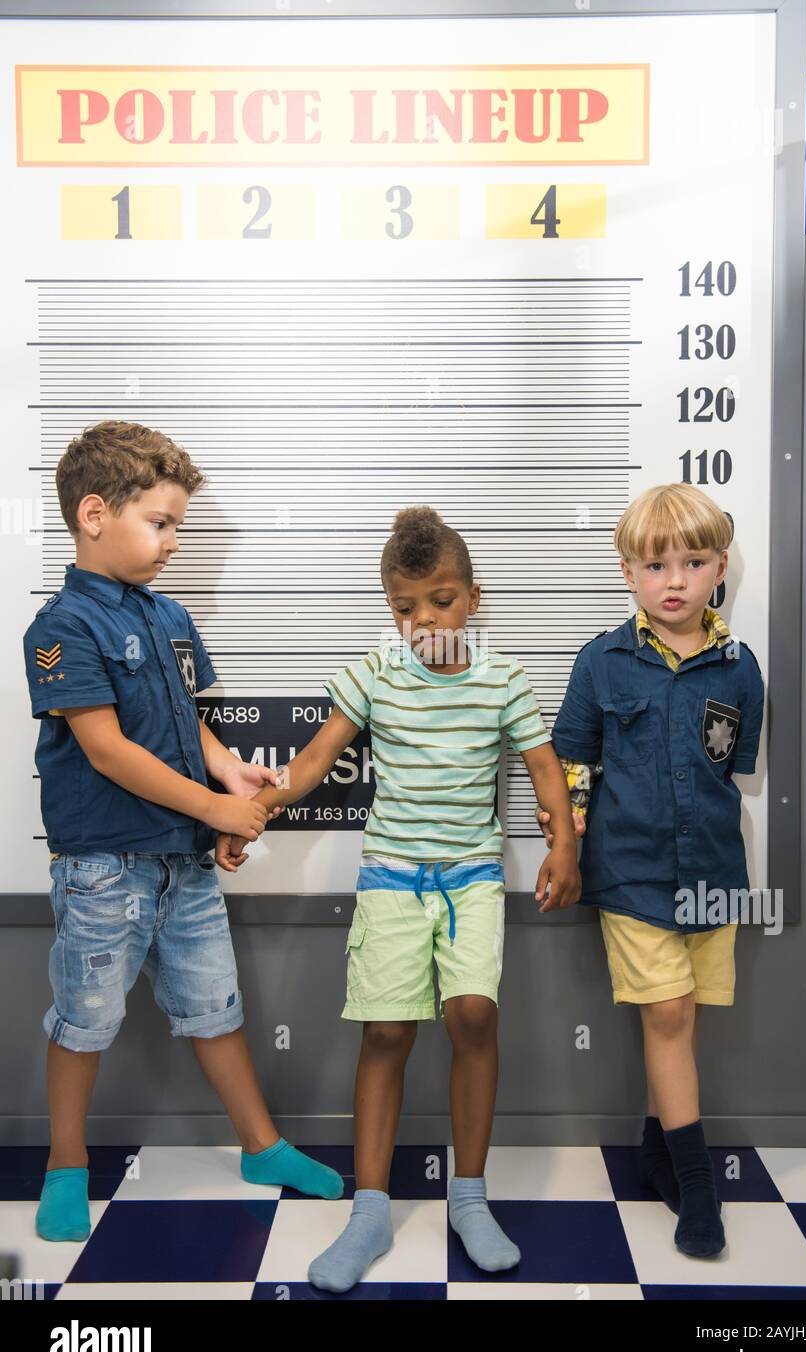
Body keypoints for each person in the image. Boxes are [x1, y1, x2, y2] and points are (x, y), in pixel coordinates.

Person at [217, 505, 580, 1291]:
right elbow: (311, 764)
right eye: (404, 607)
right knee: (385, 1031)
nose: (423, 621)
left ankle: (470, 1198)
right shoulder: (373, 674)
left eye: (440, 600)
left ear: (473, 597)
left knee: (473, 1016)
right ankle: (370, 1210)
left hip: (472, 880)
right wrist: (255, 808)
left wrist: (562, 845)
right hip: (390, 879)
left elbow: (544, 770)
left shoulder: (503, 680)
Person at [23, 420, 343, 1242]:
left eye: (177, 527)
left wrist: (227, 775)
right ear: (94, 513)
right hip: (103, 868)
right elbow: (106, 748)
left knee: (215, 1008)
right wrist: (214, 809)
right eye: (159, 523)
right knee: (84, 1018)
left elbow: (185, 722)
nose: (171, 542)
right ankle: (64, 1162)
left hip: (184, 864)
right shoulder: (60, 628)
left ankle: (261, 1146)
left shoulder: (170, 616)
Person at [538, 482, 765, 1258]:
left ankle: (655, 1145)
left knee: (683, 1020)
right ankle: (699, 1190)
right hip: (629, 873)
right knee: (666, 1017)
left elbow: (729, 770)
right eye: (654, 565)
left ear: (718, 568)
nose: (673, 580)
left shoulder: (739, 668)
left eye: (692, 562)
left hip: (710, 872)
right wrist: (563, 839)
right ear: (628, 573)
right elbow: (570, 761)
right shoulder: (601, 661)